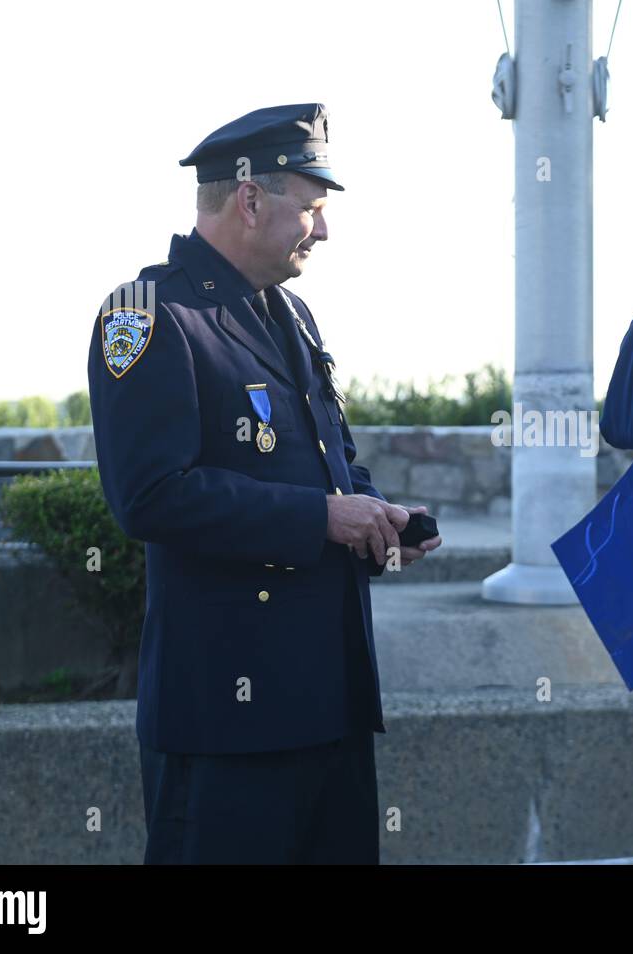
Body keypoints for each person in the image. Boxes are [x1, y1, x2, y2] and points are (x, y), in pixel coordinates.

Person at [87, 103, 441, 864]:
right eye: (312, 208)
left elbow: (330, 462)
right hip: (228, 726)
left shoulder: (293, 314)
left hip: (331, 708)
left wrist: (378, 517)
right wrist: (321, 518)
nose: (325, 229)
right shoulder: (147, 315)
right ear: (250, 199)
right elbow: (149, 494)